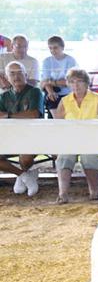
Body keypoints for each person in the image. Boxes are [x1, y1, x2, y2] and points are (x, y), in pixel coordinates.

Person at [51, 68, 98, 204]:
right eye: (72, 82)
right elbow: (58, 126)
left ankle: (94, 190)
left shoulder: (97, 99)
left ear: (86, 83)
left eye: (79, 81)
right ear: (68, 84)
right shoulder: (65, 101)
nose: (76, 85)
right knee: (64, 157)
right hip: (70, 140)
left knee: (88, 156)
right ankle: (62, 193)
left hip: (92, 140)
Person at [0, 61, 44, 197]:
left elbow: (34, 114)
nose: (16, 76)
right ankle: (24, 175)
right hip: (10, 137)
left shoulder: (35, 91)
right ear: (6, 77)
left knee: (25, 158)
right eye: (12, 73)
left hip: (33, 136)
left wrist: (8, 115)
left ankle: (24, 174)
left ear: (26, 75)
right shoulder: (4, 96)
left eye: (19, 73)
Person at [40, 36, 79, 110]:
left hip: (68, 93)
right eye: (50, 48)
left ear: (62, 48)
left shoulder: (71, 60)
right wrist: (51, 92)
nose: (52, 50)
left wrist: (51, 82)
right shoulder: (46, 61)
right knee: (51, 99)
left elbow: (69, 82)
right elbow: (45, 81)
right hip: (53, 92)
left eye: (55, 48)